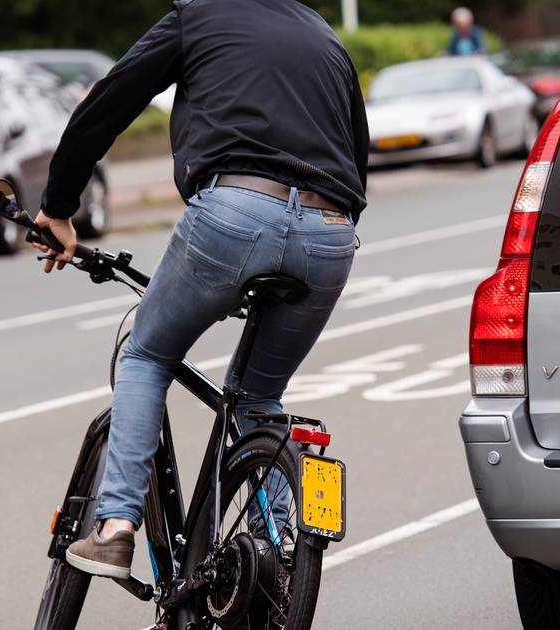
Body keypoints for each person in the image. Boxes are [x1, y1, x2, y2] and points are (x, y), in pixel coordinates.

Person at [33, 0, 369, 579]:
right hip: (332, 232)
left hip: (233, 213)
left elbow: (109, 104)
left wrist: (59, 208)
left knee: (146, 353)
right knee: (260, 399)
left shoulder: (198, 15)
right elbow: (356, 151)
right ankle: (275, 547)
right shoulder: (324, 34)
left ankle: (115, 526)